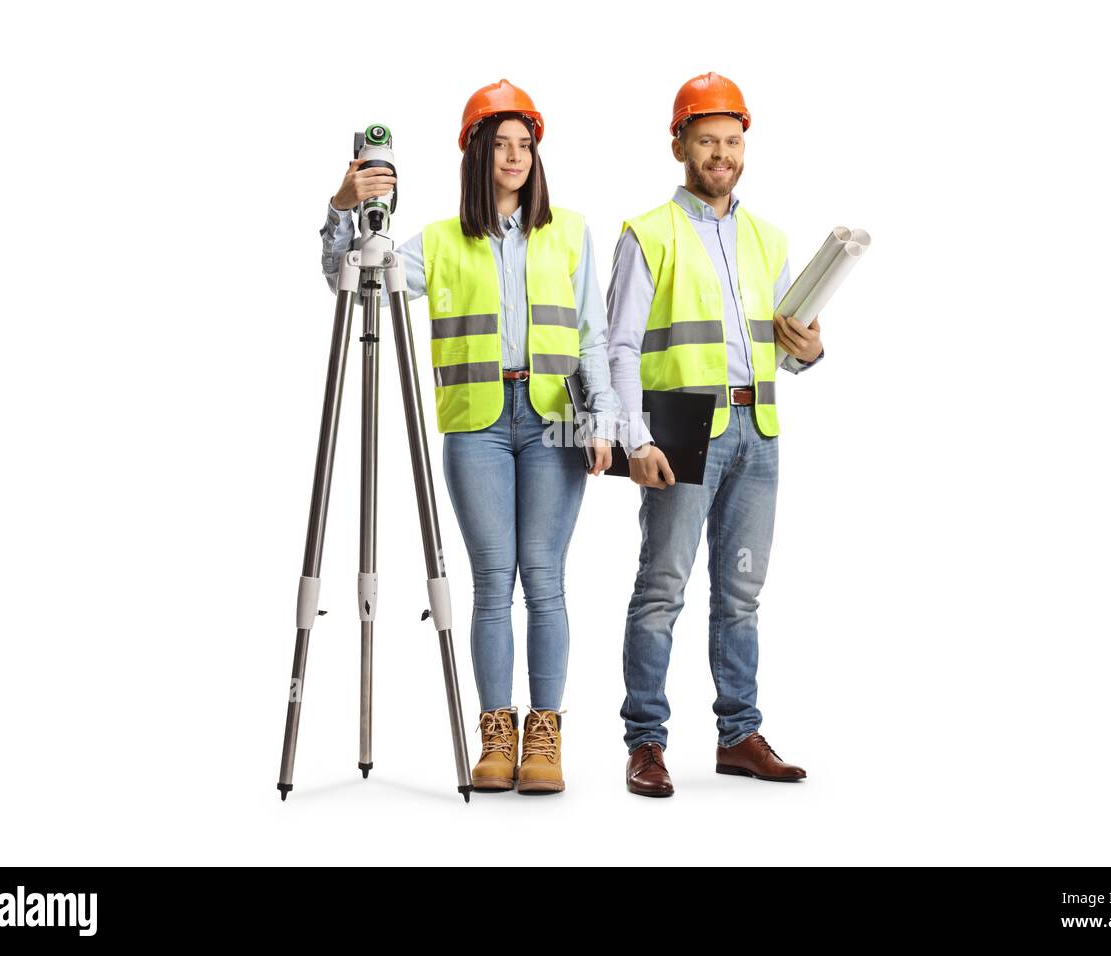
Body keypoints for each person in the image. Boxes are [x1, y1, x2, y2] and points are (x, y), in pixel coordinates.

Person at [319, 79, 622, 794]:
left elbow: (592, 336)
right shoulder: (436, 242)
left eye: (526, 145)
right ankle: (496, 735)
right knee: (493, 583)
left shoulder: (571, 230)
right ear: (477, 153)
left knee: (544, 582)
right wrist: (341, 206)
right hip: (476, 427)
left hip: (554, 422)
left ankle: (543, 737)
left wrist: (603, 418)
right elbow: (345, 277)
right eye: (502, 144)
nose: (515, 156)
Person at [606, 72, 825, 797]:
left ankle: (739, 734)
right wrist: (634, 437)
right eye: (707, 141)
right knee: (662, 588)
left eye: (732, 141)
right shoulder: (648, 233)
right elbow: (619, 346)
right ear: (680, 146)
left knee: (741, 592)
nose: (721, 154)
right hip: (682, 437)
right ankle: (646, 742)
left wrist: (810, 349)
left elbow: (788, 350)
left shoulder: (769, 238)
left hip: (757, 434)